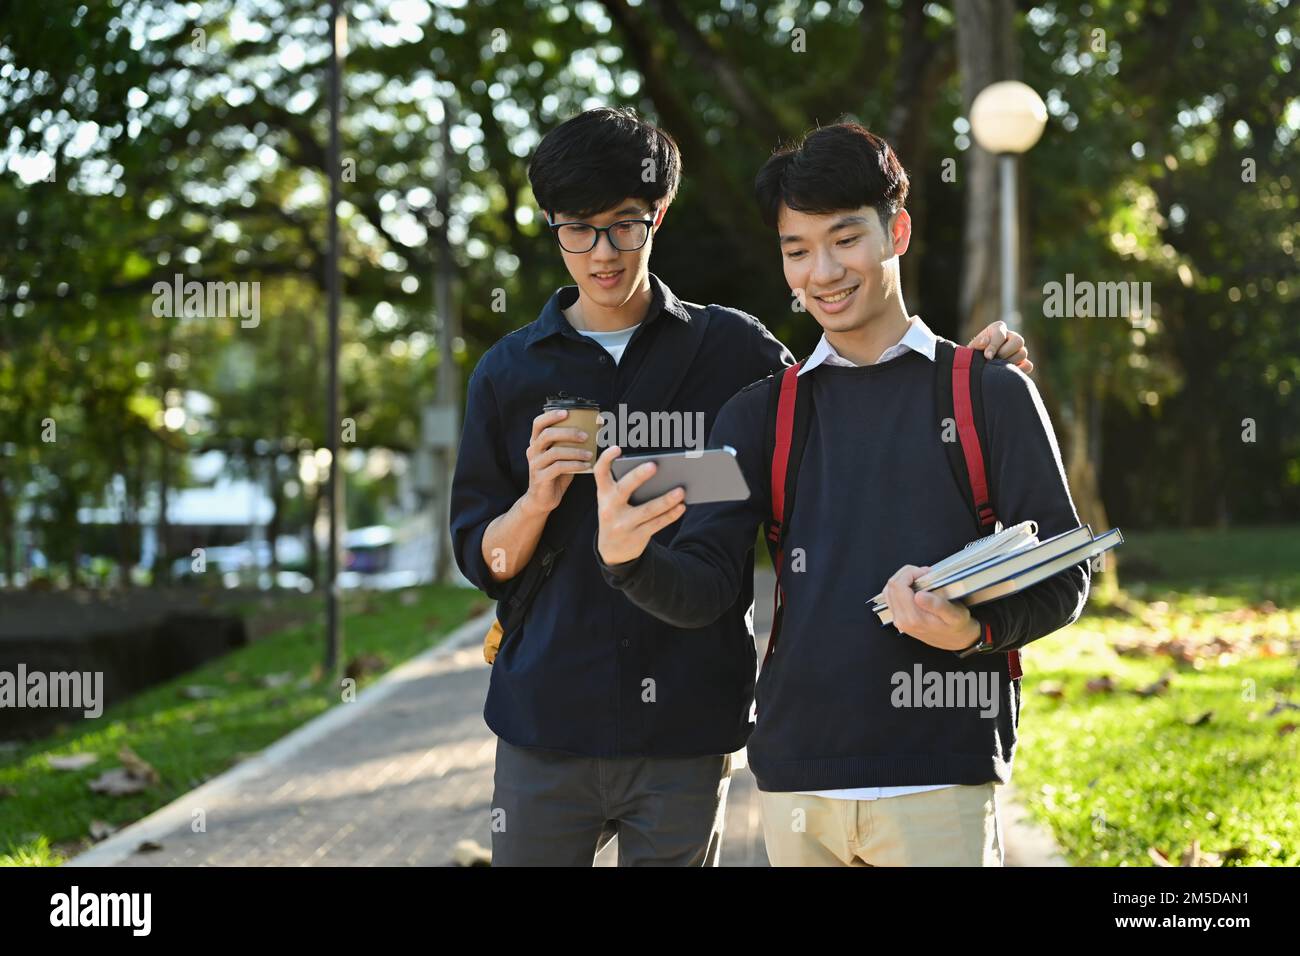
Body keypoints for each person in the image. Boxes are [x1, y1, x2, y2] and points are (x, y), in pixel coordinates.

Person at [450, 108, 1030, 866]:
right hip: (545, 722)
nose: (602, 252)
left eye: (624, 225)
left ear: (657, 216)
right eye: (577, 229)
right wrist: (537, 500)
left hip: (688, 723)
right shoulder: (508, 372)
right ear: (553, 227)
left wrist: (974, 379)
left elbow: (841, 404)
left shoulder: (734, 349)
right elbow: (484, 562)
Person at [593, 122, 1088, 867]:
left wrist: (976, 632)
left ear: (898, 231)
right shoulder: (759, 415)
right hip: (796, 787)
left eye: (845, 239)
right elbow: (705, 584)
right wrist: (626, 558)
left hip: (940, 776)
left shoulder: (989, 393)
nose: (822, 271)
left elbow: (1064, 569)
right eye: (797, 250)